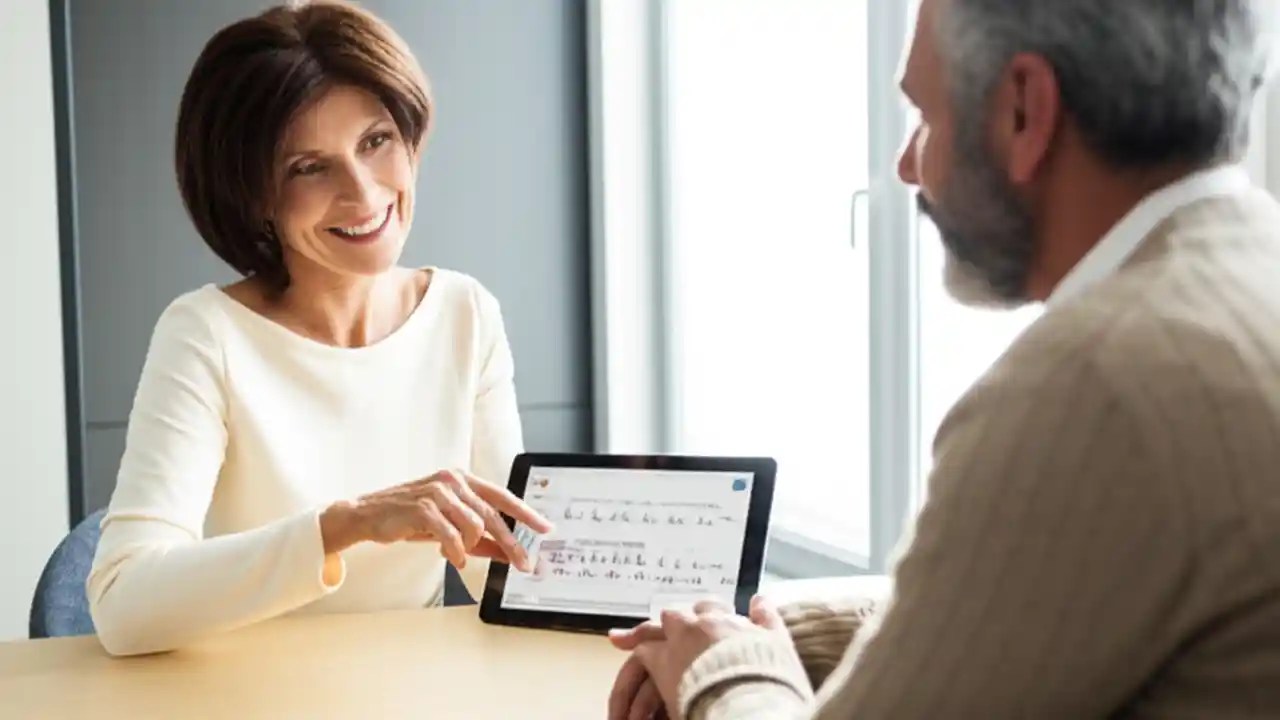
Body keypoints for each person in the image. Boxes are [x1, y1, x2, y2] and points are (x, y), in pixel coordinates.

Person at [608, 0, 1280, 717]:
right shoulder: (1248, 272)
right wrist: (776, 636)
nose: (905, 165)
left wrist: (727, 669)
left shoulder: (1098, 382)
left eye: (925, 117)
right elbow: (1035, 594)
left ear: (1024, 110)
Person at [86, 0, 552, 657]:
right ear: (254, 196)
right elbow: (122, 603)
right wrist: (347, 525)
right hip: (243, 697)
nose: (363, 195)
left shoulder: (464, 314)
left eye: (376, 140)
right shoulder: (207, 334)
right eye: (309, 167)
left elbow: (503, 564)